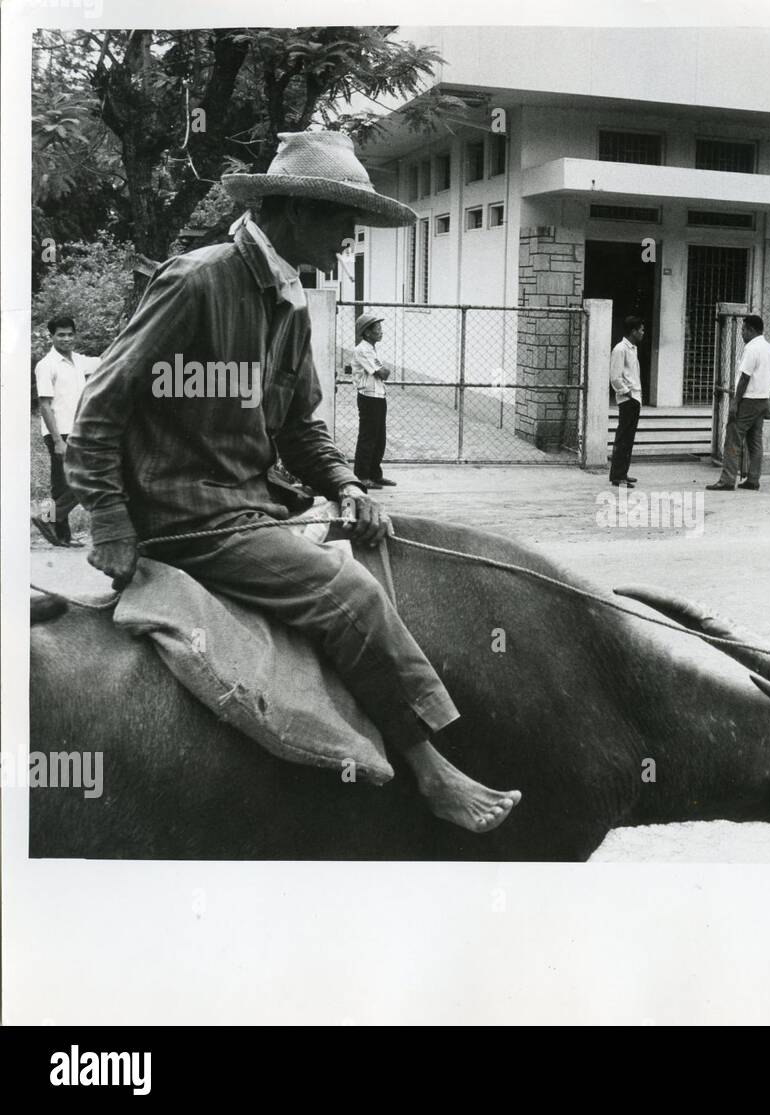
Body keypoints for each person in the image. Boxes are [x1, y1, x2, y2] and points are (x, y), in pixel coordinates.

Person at [65, 131, 520, 834]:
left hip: (250, 509)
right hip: (192, 518)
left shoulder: (290, 301)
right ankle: (430, 769)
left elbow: (300, 428)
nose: (348, 238)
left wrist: (345, 484)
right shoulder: (196, 280)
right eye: (342, 221)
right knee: (354, 596)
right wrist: (111, 519)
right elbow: (100, 402)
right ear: (294, 211)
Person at [32, 316, 100, 546]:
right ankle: (48, 518)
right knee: (86, 478)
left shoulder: (79, 361)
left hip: (78, 429)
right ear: (52, 337)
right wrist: (57, 440)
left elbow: (108, 359)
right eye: (61, 335)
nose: (66, 338)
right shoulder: (46, 365)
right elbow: (44, 405)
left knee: (61, 485)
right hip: (59, 432)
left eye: (70, 334)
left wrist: (124, 331)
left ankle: (61, 536)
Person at [707, 314, 770, 492]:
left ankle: (727, 480)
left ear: (752, 330)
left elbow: (744, 377)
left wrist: (735, 403)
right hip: (763, 399)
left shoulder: (752, 349)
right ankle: (753, 479)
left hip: (748, 400)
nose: (742, 334)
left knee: (732, 438)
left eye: (743, 330)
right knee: (755, 441)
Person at [352, 311, 394, 487]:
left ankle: (375, 474)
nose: (381, 331)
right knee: (368, 438)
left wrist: (383, 370)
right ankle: (362, 476)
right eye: (377, 329)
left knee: (379, 438)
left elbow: (383, 372)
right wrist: (383, 370)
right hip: (369, 398)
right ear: (367, 332)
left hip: (378, 396)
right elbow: (383, 373)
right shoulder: (362, 350)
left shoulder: (371, 349)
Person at [608, 315, 645, 488]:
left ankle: (623, 472)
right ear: (633, 331)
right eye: (641, 330)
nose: (643, 333)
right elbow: (615, 377)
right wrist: (627, 392)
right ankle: (617, 475)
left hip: (634, 398)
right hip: (628, 399)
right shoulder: (620, 349)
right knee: (623, 437)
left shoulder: (632, 349)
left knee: (628, 438)